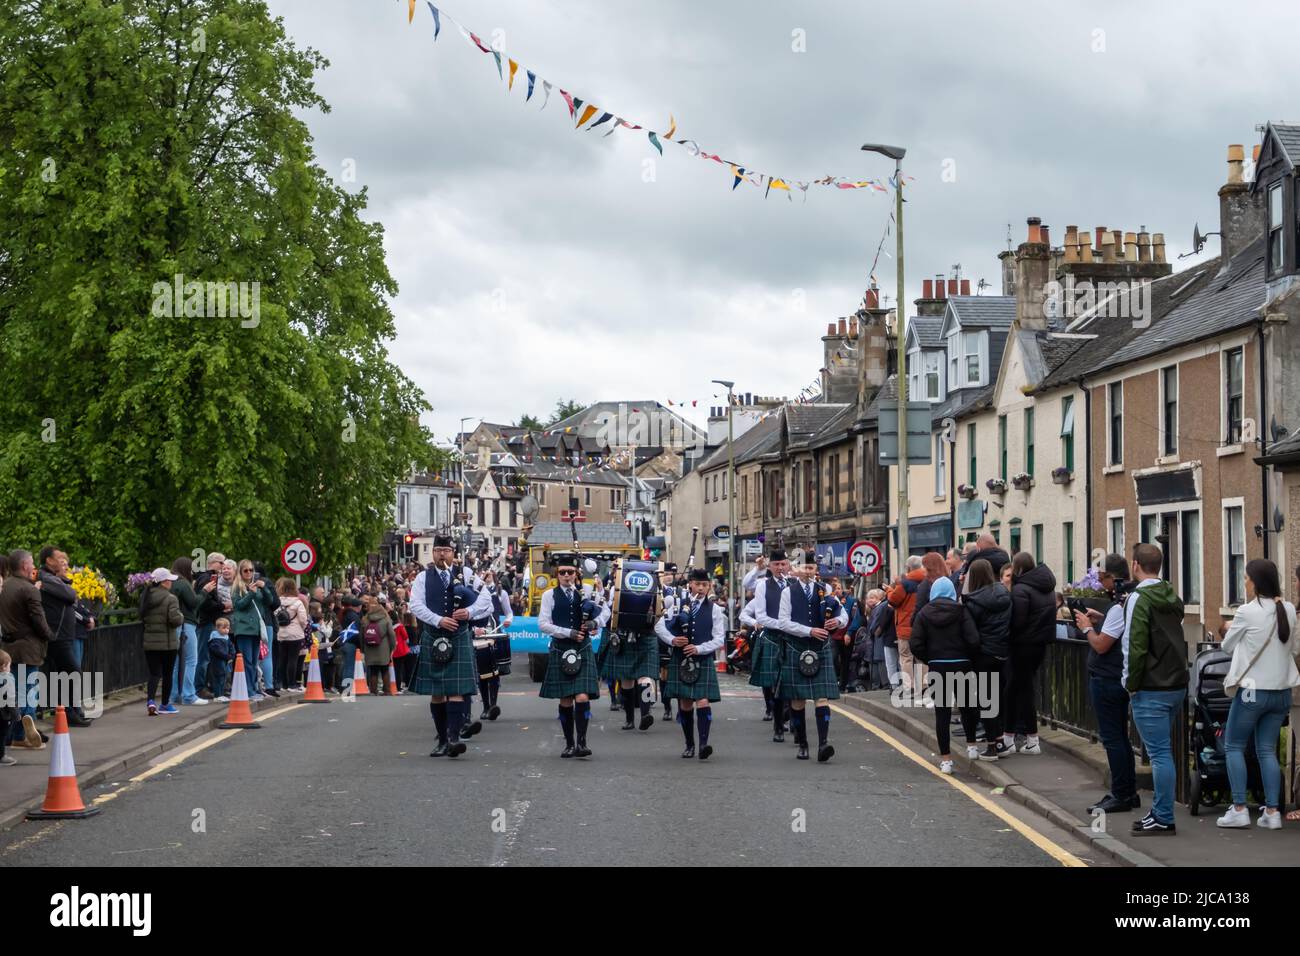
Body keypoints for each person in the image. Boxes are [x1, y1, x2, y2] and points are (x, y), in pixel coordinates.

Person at [1215, 559, 1299, 829]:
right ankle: (1273, 812)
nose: (1245, 582)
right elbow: (1294, 648)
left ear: (1256, 582)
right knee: (1266, 750)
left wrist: (1228, 628)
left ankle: (1239, 807)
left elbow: (1227, 647)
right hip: (1282, 692)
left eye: (1246, 578)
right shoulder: (1288, 608)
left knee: (1234, 745)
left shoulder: (1247, 611)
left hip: (1252, 692)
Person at [1123, 542, 1187, 836]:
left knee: (1160, 755)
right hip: (1176, 683)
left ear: (1135, 565)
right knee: (1164, 753)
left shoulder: (1139, 597)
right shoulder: (1172, 595)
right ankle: (1161, 813)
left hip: (1150, 686)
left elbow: (1135, 646)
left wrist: (1131, 684)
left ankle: (1163, 816)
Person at [410, 536, 492, 757]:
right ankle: (443, 741)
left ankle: (454, 739)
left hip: (458, 636)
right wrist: (438, 620)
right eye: (438, 550)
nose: (442, 554)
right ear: (433, 553)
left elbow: (486, 599)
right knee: (437, 693)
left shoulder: (466, 575)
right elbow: (415, 605)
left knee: (456, 690)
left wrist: (469, 612)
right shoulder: (422, 578)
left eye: (446, 550)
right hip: (434, 636)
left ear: (453, 553)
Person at [1072, 554, 1140, 813]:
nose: (1100, 584)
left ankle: (1121, 794)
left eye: (1102, 579)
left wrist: (1088, 628)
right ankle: (1128, 791)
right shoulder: (1127, 602)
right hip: (1118, 677)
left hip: (1107, 678)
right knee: (1121, 738)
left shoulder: (1118, 606)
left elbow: (1101, 645)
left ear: (1113, 577)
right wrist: (1100, 620)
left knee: (1113, 738)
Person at [776, 553, 848, 762]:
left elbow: (842, 614)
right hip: (797, 647)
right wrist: (809, 631)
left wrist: (838, 623)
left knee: (822, 697)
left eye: (811, 568)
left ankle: (823, 744)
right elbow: (783, 622)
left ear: (816, 570)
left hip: (820, 648)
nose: (808, 571)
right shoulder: (788, 592)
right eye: (805, 568)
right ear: (796, 569)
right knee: (798, 700)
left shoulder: (824, 590)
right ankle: (803, 744)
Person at [536, 558, 609, 758]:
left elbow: (605, 612)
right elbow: (543, 624)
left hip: (582, 647)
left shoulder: (587, 590)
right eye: (562, 572)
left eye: (570, 572)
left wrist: (595, 623)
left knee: (582, 696)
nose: (566, 576)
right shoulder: (549, 595)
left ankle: (582, 743)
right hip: (561, 648)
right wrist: (568, 633)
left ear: (576, 573)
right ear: (557, 574)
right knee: (566, 699)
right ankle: (569, 744)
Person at [909, 576, 982, 773]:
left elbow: (915, 643)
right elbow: (973, 639)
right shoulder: (962, 611)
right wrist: (966, 656)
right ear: (952, 592)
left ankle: (946, 760)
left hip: (938, 666)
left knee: (942, 713)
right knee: (967, 707)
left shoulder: (924, 614)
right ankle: (972, 746)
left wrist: (930, 658)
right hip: (961, 664)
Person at [655, 568, 726, 759]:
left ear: (709, 586)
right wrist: (672, 640)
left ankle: (703, 743)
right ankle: (689, 745)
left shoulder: (715, 610)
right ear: (690, 585)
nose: (701, 588)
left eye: (705, 585)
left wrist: (699, 648)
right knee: (685, 703)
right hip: (681, 659)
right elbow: (659, 626)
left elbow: (719, 639)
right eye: (697, 584)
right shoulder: (677, 604)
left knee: (702, 700)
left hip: (702, 659)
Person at [1005, 551, 1056, 755]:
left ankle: (1025, 739)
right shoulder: (1046, 588)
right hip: (1039, 644)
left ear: (1017, 568)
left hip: (1022, 645)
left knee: (1017, 691)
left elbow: (1017, 621)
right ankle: (1017, 737)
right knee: (1020, 689)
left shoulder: (1021, 589)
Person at [598, 563, 659, 733]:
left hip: (633, 635)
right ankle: (641, 714)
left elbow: (609, 612)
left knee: (631, 679)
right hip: (640, 635)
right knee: (640, 678)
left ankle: (634, 718)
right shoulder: (653, 584)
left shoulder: (617, 588)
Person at [37, 547, 94, 726]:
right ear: (49, 561)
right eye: (59, 559)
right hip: (57, 636)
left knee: (64, 675)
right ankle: (69, 712)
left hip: (63, 635)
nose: (63, 562)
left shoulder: (52, 579)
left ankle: (70, 711)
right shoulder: (46, 577)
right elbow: (70, 594)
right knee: (72, 672)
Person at [0, 550, 51, 750]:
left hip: (8, 647)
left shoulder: (5, 587)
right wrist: (50, 635)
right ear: (24, 566)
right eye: (31, 563)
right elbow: (39, 620)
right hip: (29, 647)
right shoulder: (29, 590)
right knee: (29, 692)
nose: (33, 567)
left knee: (12, 692)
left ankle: (12, 734)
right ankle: (22, 735)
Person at [964, 558, 1013, 760]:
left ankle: (992, 746)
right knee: (998, 699)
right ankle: (1000, 740)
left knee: (986, 700)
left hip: (983, 654)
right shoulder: (1005, 594)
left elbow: (971, 633)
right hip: (1003, 652)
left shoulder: (972, 601)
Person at [750, 550, 793, 741]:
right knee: (776, 686)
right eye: (776, 564)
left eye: (783, 564)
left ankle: (790, 719)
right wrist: (784, 625)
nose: (780, 568)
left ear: (788, 565)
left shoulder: (795, 583)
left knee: (793, 685)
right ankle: (778, 727)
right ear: (770, 566)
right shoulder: (762, 586)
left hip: (794, 639)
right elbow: (761, 616)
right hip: (773, 638)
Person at [140, 567, 184, 715]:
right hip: (168, 643)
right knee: (167, 674)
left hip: (150, 642)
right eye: (170, 580)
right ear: (164, 582)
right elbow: (175, 620)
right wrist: (181, 616)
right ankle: (165, 704)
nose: (171, 582)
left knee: (154, 674)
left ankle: (151, 701)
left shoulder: (146, 597)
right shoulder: (171, 598)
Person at [230, 559, 273, 702]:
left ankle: (253, 688)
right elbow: (239, 605)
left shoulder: (257, 586)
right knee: (247, 661)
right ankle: (248, 691)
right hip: (243, 629)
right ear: (240, 572)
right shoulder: (237, 588)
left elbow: (270, 601)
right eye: (245, 570)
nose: (249, 573)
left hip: (255, 630)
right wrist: (251, 594)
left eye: (251, 570)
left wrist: (264, 587)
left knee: (254, 662)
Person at [168, 557, 206, 707]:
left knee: (176, 663)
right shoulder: (183, 583)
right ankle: (189, 695)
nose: (191, 572)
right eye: (190, 569)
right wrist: (205, 592)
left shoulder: (170, 583)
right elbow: (194, 603)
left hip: (174, 626)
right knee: (191, 660)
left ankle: (175, 695)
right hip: (186, 625)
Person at [886, 556, 927, 693]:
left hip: (906, 626)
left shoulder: (905, 583)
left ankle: (909, 687)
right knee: (922, 658)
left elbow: (893, 600)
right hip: (923, 625)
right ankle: (924, 685)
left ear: (908, 568)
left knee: (906, 657)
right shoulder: (928, 580)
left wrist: (889, 590)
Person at [274, 578, 308, 693]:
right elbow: (303, 620)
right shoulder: (298, 602)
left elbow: (275, 616)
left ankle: (283, 684)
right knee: (293, 659)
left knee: (282, 659)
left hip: (281, 634)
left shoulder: (278, 601)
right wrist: (301, 629)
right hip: (295, 634)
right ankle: (292, 684)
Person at [360, 593, 397, 695]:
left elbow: (362, 636)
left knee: (373, 670)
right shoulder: (386, 619)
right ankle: (387, 690)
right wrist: (393, 647)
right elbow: (392, 634)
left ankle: (373, 690)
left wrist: (363, 648)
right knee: (385, 669)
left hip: (369, 648)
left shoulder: (365, 619)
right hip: (383, 648)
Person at [207, 617, 235, 702]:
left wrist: (232, 654)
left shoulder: (226, 637)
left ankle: (221, 694)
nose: (226, 630)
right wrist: (227, 656)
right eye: (224, 628)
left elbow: (231, 646)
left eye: (227, 628)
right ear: (217, 628)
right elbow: (217, 650)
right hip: (217, 661)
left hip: (225, 661)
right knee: (218, 678)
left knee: (223, 677)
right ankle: (217, 695)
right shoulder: (215, 638)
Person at [0, 648, 16, 766]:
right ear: (4, 666)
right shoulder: (7, 679)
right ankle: (1, 756)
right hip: (3, 715)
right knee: (2, 735)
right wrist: (16, 714)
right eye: (9, 665)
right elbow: (10, 700)